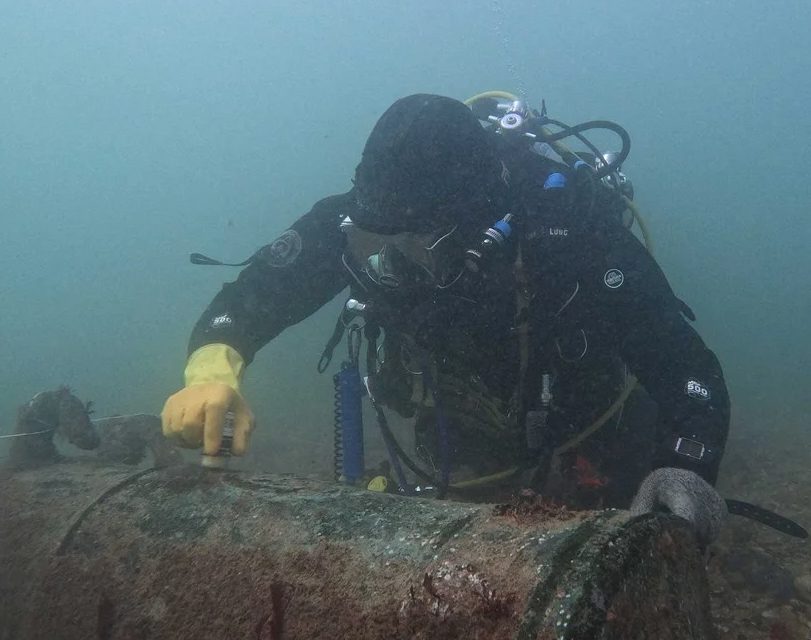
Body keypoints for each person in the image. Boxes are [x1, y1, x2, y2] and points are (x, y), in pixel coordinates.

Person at [162, 93, 730, 537]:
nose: (388, 264)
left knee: (618, 494)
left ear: (477, 229)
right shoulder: (372, 217)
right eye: (370, 243)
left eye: (417, 244)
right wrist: (212, 374)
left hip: (585, 416)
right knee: (459, 488)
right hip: (463, 429)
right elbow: (247, 302)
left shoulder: (570, 238)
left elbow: (689, 372)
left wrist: (683, 474)